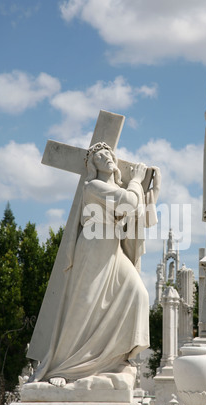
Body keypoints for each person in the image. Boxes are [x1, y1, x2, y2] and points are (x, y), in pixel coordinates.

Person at [29, 142, 160, 387]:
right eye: (99, 156)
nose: (106, 158)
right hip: (93, 247)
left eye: (108, 154)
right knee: (84, 305)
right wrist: (137, 180)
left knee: (139, 294)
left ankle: (115, 358)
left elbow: (140, 214)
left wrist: (153, 188)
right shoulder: (93, 187)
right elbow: (129, 202)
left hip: (113, 248)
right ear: (92, 165)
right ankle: (64, 367)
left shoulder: (116, 187)